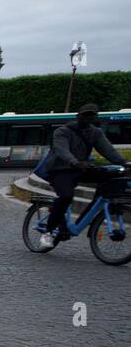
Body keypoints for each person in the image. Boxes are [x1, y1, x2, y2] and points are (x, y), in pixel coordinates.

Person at [40, 103, 127, 247]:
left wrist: (124, 163)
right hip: (61, 169)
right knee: (66, 196)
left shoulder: (96, 132)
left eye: (92, 115)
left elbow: (108, 151)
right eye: (86, 114)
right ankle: (48, 232)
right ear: (78, 115)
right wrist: (74, 162)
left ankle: (91, 211)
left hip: (81, 168)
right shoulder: (62, 131)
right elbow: (62, 150)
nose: (88, 117)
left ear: (95, 117)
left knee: (110, 178)